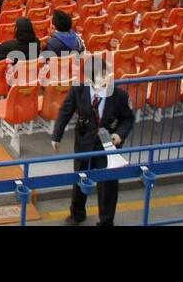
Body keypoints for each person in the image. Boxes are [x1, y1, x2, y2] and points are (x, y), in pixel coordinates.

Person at [51, 58, 135, 226]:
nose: (107, 79)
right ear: (90, 79)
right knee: (80, 179)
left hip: (108, 146)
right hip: (84, 143)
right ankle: (77, 214)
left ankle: (106, 221)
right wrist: (56, 136)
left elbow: (128, 119)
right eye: (102, 76)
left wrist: (120, 134)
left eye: (107, 74)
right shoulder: (78, 91)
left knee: (108, 185)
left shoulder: (119, 95)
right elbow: (65, 112)